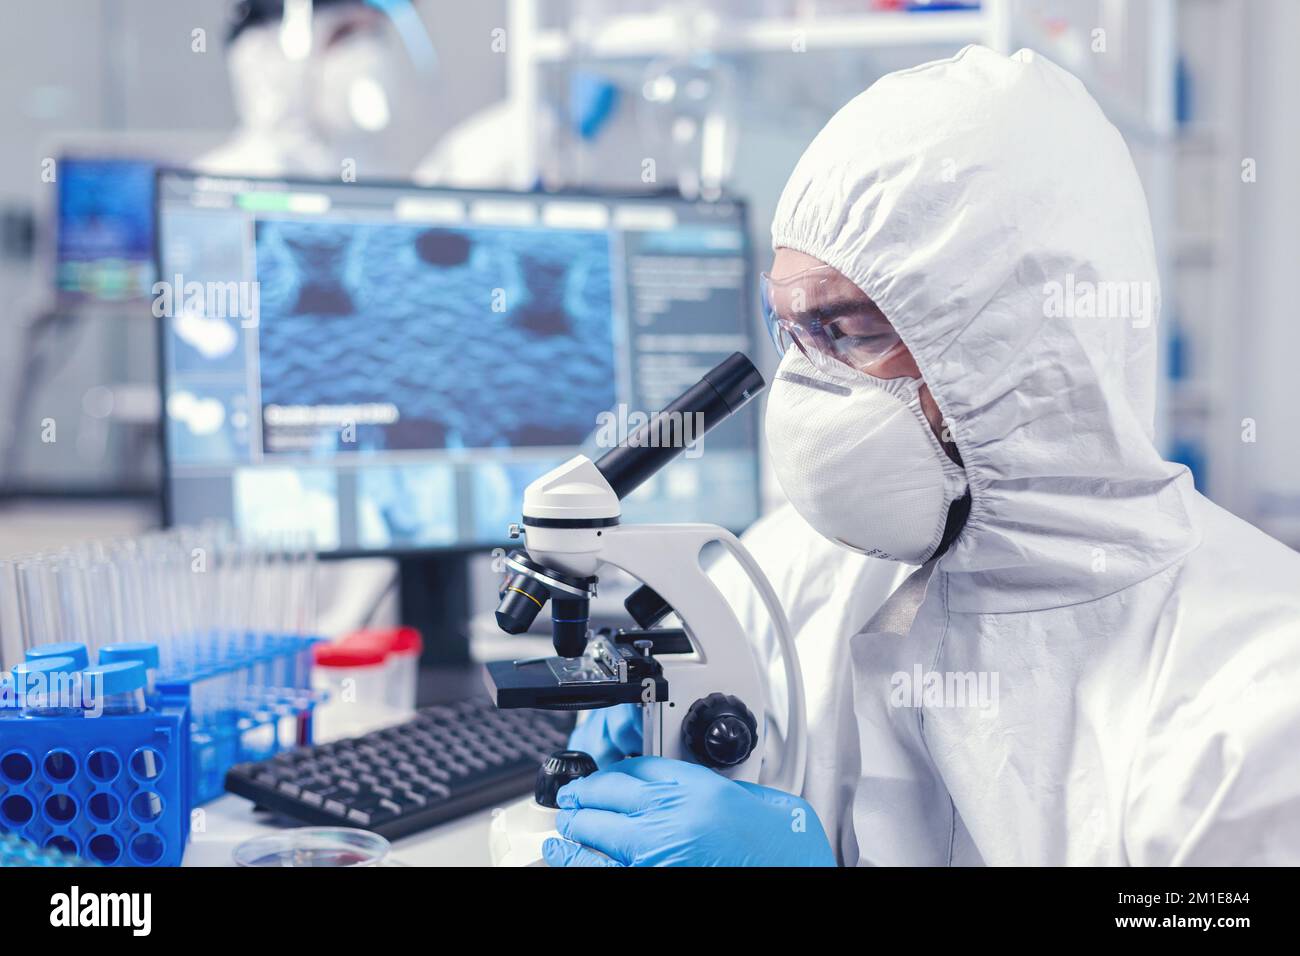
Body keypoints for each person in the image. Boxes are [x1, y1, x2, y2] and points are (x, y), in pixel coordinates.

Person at [544, 45, 1300, 867]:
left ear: (1020, 340)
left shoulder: (1259, 704)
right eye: (789, 331)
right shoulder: (795, 568)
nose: (806, 387)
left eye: (850, 330)